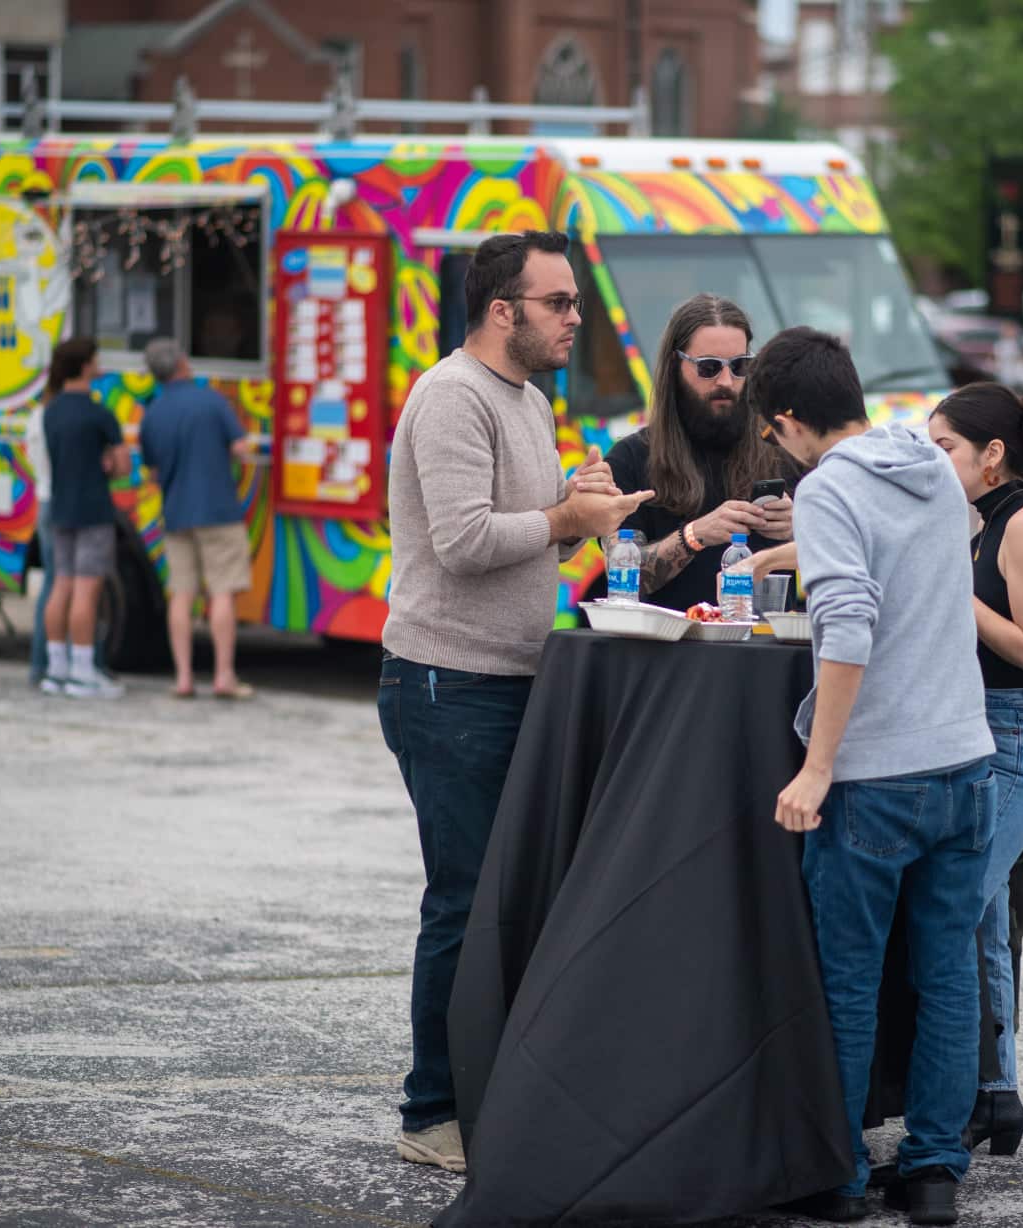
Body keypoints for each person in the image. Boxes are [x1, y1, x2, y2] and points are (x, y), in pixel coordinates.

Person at [378, 230, 651, 1174]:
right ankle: (431, 1112)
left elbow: (532, 543)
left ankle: (493, 1096)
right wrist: (566, 518)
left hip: (512, 681)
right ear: (504, 311)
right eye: (559, 303)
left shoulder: (528, 398)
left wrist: (581, 514)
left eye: (572, 302)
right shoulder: (453, 396)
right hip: (448, 685)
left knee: (509, 899)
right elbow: (460, 543)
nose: (576, 318)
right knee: (462, 902)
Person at [751, 326, 999, 1226]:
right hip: (965, 761)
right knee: (945, 974)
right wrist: (798, 554)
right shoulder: (930, 466)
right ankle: (933, 1172)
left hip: (875, 780)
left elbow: (849, 626)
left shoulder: (826, 489)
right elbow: (919, 567)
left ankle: (840, 1175)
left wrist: (817, 770)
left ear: (786, 420)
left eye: (772, 436)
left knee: (848, 983)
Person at [926, 382, 1023, 1157]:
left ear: (991, 454)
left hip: (1018, 743)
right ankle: (996, 1093)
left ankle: (954, 1110)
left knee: (953, 915)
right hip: (972, 731)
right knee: (982, 924)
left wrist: (948, 579)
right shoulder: (979, 524)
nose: (932, 459)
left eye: (944, 446)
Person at [602, 294, 796, 610]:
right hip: (671, 654)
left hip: (765, 654)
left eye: (740, 366)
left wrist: (799, 526)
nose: (726, 381)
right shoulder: (631, 458)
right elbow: (622, 576)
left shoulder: (784, 449)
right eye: (708, 367)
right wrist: (695, 535)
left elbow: (846, 559)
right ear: (674, 368)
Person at [139, 338, 257, 699]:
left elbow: (153, 469)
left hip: (175, 513)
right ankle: (223, 675)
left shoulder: (153, 412)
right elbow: (240, 447)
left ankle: (184, 678)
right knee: (221, 592)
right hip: (218, 510)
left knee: (182, 593)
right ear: (184, 363)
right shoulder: (211, 401)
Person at [41, 337, 129, 700]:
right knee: (86, 591)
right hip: (93, 509)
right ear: (85, 366)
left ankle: (55, 667)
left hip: (60, 508)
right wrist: (107, 466)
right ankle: (82, 670)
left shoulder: (51, 410)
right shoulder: (99, 414)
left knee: (60, 584)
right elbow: (122, 466)